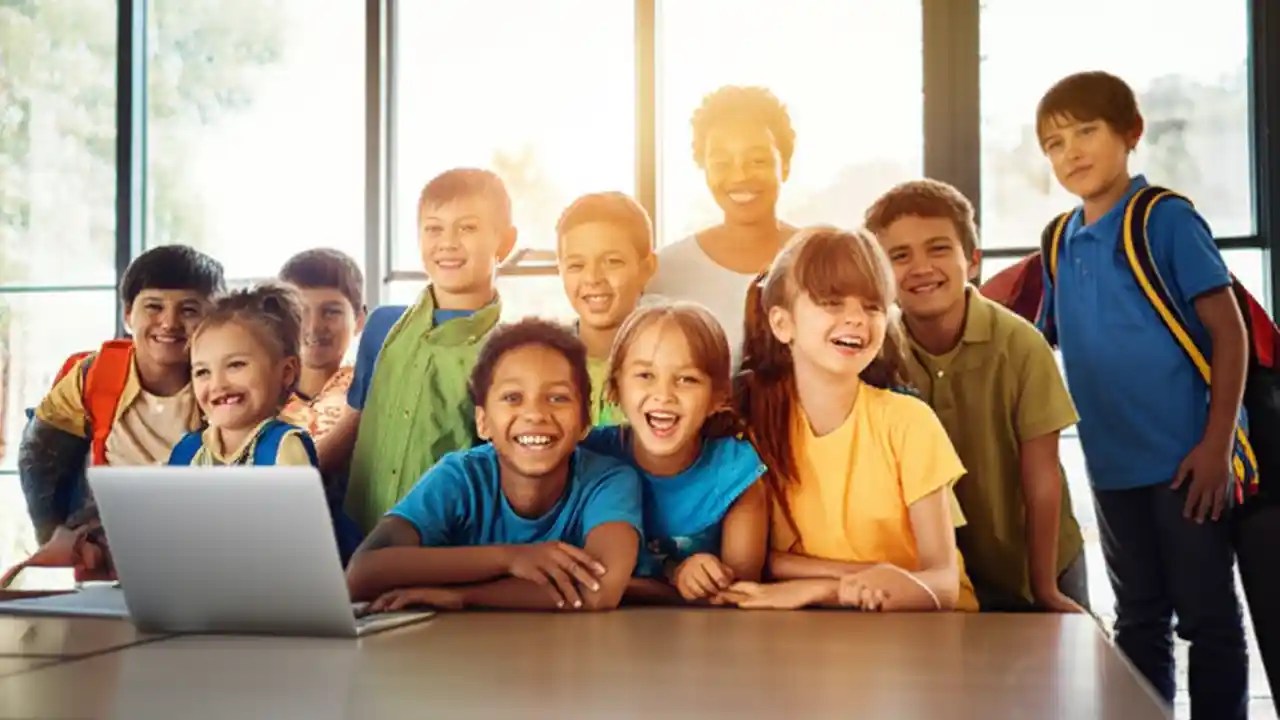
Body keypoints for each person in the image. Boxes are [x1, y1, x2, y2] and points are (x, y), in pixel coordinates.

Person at [1035, 71, 1248, 717]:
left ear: (1130, 134)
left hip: (1187, 465)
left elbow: (1229, 334)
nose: (1070, 151)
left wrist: (1216, 446)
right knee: (1137, 620)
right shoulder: (1058, 239)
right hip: (1111, 467)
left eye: (1085, 132)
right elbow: (1038, 343)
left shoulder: (1164, 218)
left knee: (1207, 619)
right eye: (1053, 143)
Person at [722, 226, 977, 612]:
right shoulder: (756, 426)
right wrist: (878, 574)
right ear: (781, 323)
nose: (857, 319)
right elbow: (767, 561)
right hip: (814, 632)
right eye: (832, 303)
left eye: (872, 306)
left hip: (923, 632)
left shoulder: (909, 422)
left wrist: (825, 588)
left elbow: (942, 584)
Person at [865, 179, 1087, 613]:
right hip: (941, 571)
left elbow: (1042, 480)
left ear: (972, 261)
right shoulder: (877, 352)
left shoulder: (1021, 345)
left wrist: (1044, 588)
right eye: (900, 256)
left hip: (1037, 561)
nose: (922, 267)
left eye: (939, 248)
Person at [344, 318, 643, 612]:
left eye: (557, 398)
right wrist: (509, 558)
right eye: (512, 398)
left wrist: (464, 596)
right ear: (483, 421)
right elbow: (361, 574)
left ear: (584, 422)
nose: (535, 414)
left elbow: (597, 591)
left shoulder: (609, 481)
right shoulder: (459, 478)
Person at [5, 245, 224, 587]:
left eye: (189, 310)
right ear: (128, 315)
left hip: (196, 535)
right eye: (154, 306)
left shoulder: (227, 378)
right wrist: (54, 535)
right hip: (109, 536)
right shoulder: (95, 373)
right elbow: (40, 450)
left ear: (214, 318)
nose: (169, 322)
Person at [321, 168, 516, 532]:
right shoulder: (382, 327)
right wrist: (286, 482)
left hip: (439, 545)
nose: (447, 243)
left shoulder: (509, 352)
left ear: (504, 242)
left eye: (468, 228)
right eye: (433, 228)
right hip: (353, 534)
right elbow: (350, 431)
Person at [580, 302, 768, 603]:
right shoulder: (589, 459)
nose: (664, 395)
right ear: (615, 388)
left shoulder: (736, 473)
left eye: (687, 379)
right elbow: (578, 577)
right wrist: (675, 576)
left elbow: (738, 594)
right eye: (645, 375)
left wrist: (704, 581)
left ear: (717, 397)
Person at [644, 86, 797, 368]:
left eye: (758, 160)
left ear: (784, 165)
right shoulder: (665, 272)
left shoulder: (821, 259)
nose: (739, 175)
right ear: (704, 168)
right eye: (721, 162)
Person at [555, 192, 656, 425]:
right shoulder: (545, 362)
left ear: (647, 268)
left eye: (612, 262)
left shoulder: (671, 362)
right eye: (576, 265)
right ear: (559, 270)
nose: (593, 278)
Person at [278, 248, 366, 441]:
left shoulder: (371, 393)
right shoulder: (263, 394)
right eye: (300, 312)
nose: (314, 326)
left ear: (360, 320)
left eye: (331, 312)